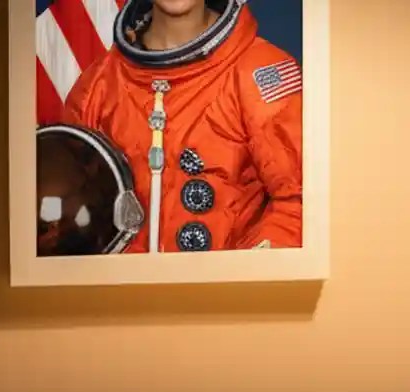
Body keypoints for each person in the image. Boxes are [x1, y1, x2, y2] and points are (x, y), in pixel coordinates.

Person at [63, 0, 302, 253]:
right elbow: (69, 217)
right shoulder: (95, 89)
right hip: (122, 289)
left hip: (230, 288)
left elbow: (299, 200)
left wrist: (244, 275)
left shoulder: (259, 72)